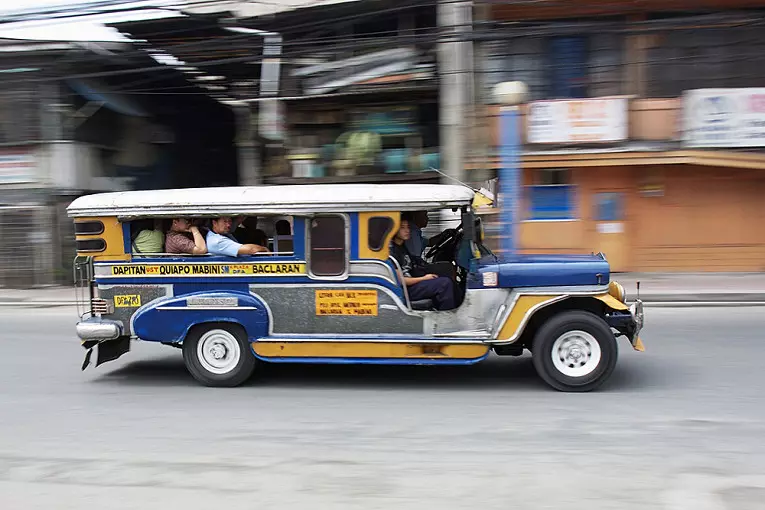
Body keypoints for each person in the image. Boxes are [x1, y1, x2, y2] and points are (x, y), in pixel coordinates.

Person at [389, 216, 456, 311]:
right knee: (445, 284)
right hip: (406, 290)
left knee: (447, 276)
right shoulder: (392, 251)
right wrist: (424, 278)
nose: (407, 230)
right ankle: (448, 317)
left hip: (413, 283)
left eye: (408, 227)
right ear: (394, 229)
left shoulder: (402, 247)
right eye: (402, 227)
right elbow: (401, 281)